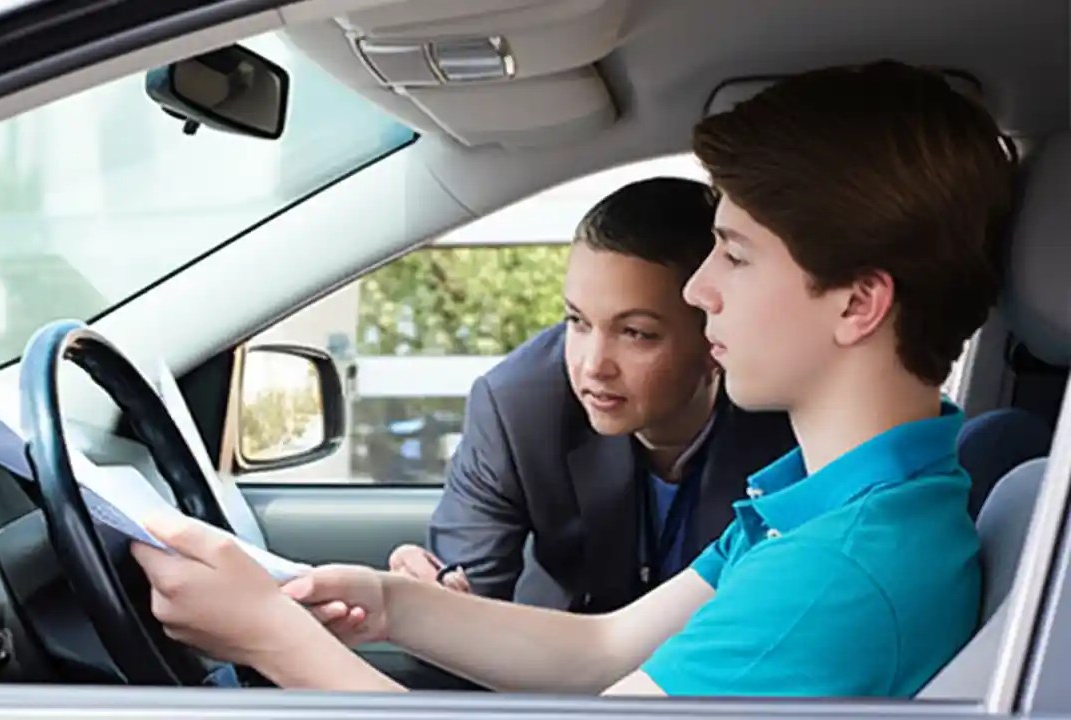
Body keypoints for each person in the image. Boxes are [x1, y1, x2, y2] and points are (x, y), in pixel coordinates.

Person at [130, 59, 1015, 698]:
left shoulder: (837, 574)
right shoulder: (837, 506)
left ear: (858, 304)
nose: (701, 292)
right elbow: (604, 648)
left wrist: (272, 640)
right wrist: (391, 604)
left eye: (735, 257)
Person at [389, 177, 796, 612]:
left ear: (714, 334)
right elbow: (464, 598)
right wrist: (431, 599)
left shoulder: (788, 412)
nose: (592, 365)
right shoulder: (518, 407)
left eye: (636, 333)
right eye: (577, 321)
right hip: (557, 667)